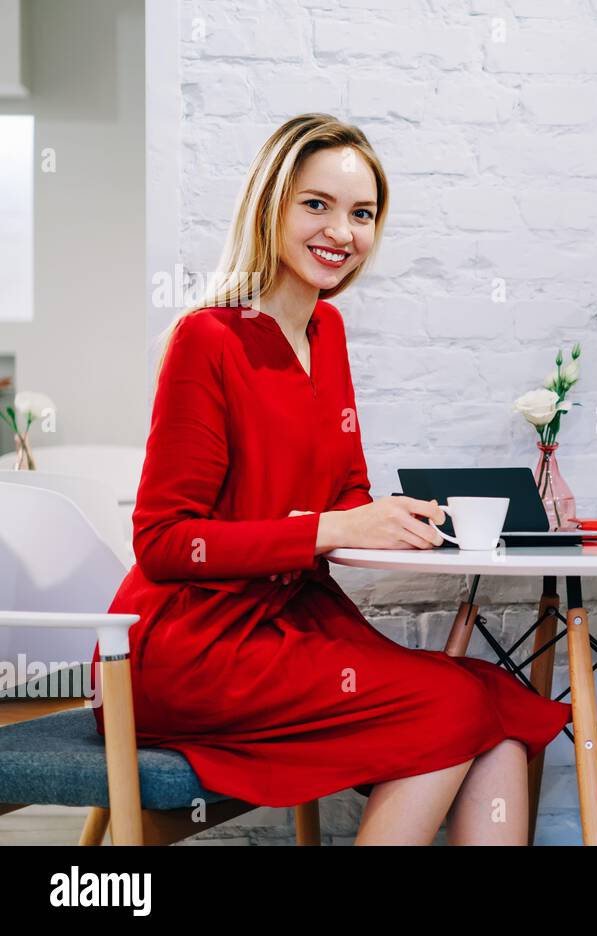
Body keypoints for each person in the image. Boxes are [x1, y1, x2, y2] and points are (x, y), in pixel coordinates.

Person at [92, 114, 570, 845]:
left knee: (499, 706)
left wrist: (396, 518)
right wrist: (335, 528)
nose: (341, 231)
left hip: (285, 622)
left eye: (362, 213)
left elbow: (345, 489)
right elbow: (163, 541)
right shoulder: (208, 339)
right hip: (188, 647)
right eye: (317, 204)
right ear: (271, 205)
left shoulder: (328, 332)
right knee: (451, 707)